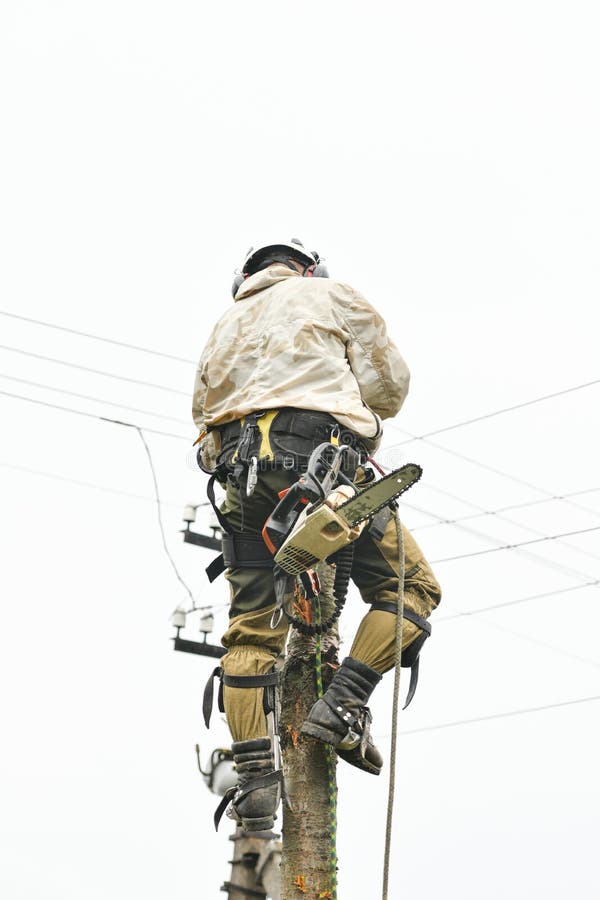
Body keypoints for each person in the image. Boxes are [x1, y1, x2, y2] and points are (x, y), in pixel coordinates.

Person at [193, 239, 441, 832]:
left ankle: (255, 782)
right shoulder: (331, 295)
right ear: (307, 268)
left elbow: (204, 435)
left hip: (240, 481)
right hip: (318, 465)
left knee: (250, 631)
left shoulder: (222, 326)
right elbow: (389, 387)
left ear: (246, 277)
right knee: (413, 590)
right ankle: (343, 706)